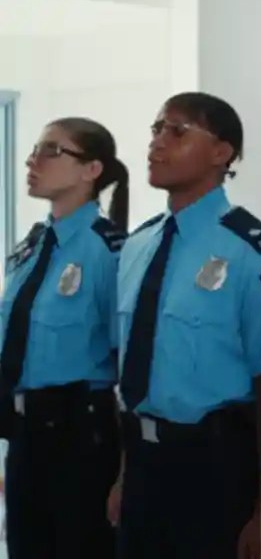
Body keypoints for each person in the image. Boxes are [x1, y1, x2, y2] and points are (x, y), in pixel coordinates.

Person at [114, 92, 261, 559]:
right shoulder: (139, 245)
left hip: (213, 466)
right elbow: (136, 370)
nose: (157, 142)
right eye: (156, 129)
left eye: (177, 131)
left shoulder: (253, 251)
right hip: (142, 460)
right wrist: (123, 476)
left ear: (221, 152)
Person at [0, 119, 128, 559]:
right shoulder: (32, 247)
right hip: (25, 433)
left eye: (53, 151)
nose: (34, 160)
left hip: (80, 434)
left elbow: (132, 360)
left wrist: (126, 473)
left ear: (91, 170)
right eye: (35, 149)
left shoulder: (108, 250)